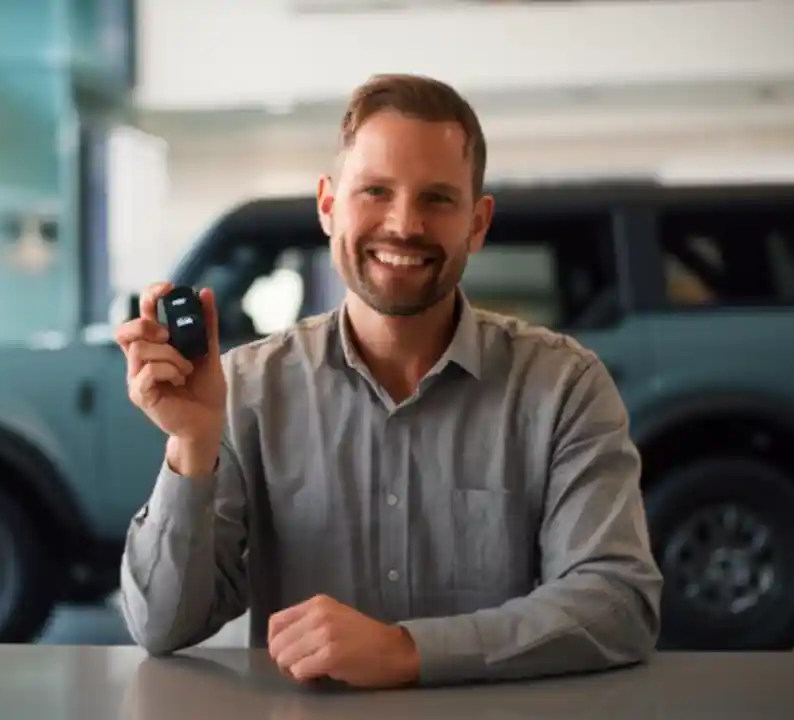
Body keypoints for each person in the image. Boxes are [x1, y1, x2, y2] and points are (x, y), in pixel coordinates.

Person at [116, 73, 663, 688]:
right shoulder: (247, 388)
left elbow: (617, 602)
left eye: (437, 198)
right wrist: (192, 445)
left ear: (477, 224)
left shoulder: (564, 387)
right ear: (328, 206)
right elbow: (161, 626)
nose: (403, 224)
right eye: (375, 190)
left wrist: (408, 651)